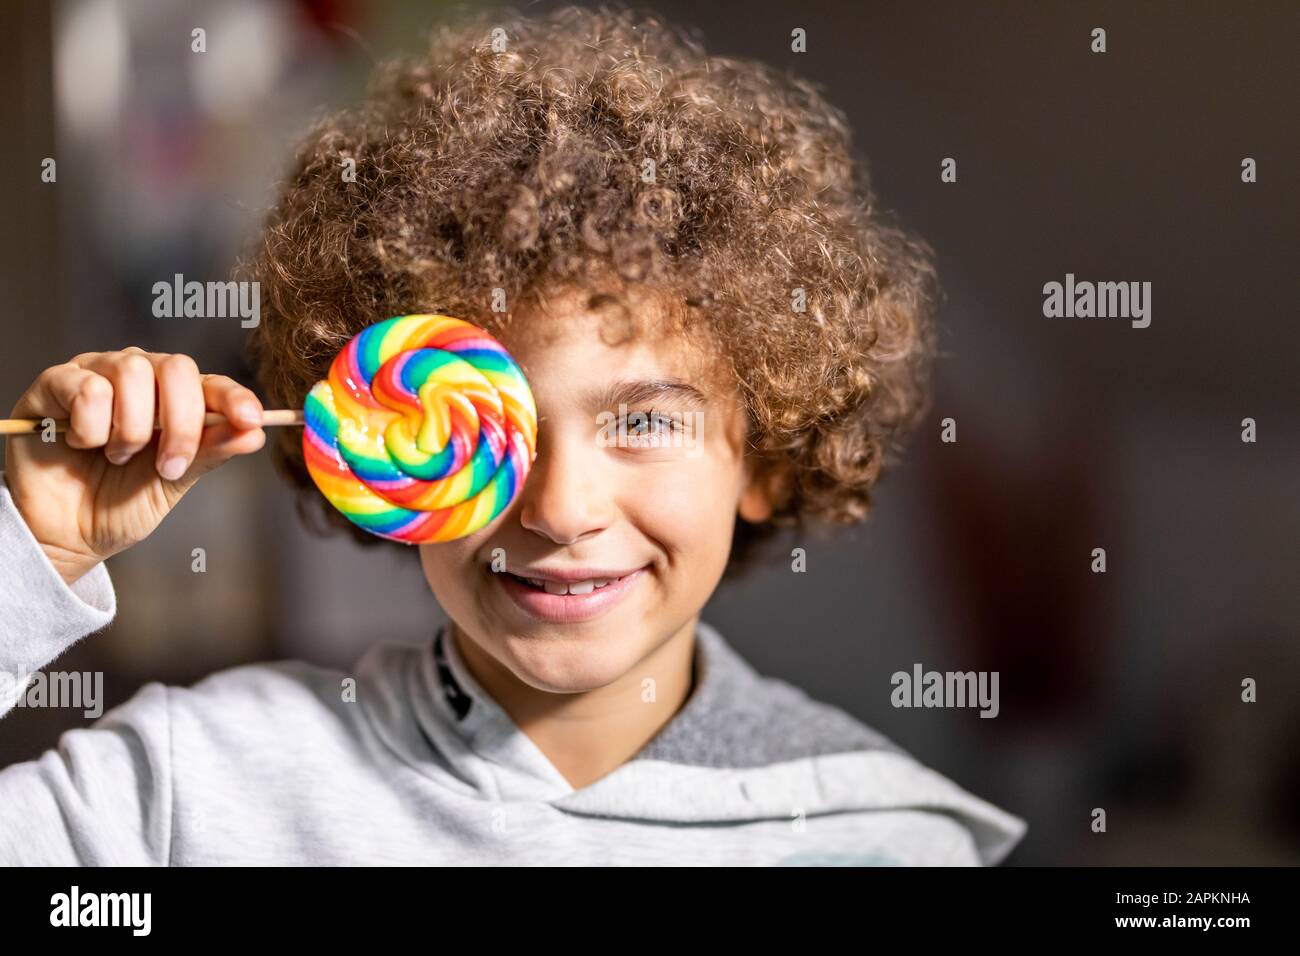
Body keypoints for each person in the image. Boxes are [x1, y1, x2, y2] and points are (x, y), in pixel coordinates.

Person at [0, 6, 1025, 865]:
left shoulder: (882, 836)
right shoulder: (190, 790)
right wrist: (32, 551)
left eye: (644, 419)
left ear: (763, 456)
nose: (560, 507)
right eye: (499, 420)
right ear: (379, 447)